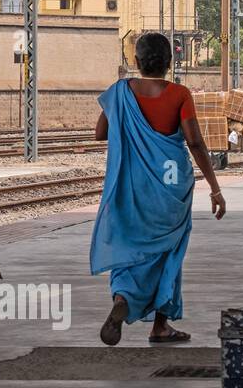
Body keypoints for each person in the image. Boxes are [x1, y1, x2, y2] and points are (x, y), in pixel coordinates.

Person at [91, 32, 226, 346]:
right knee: (168, 254)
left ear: (136, 62)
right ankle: (160, 326)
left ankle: (123, 299)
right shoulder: (179, 94)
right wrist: (215, 188)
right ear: (170, 62)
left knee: (130, 250)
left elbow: (100, 132)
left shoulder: (120, 92)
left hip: (131, 189)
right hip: (170, 190)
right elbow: (194, 142)